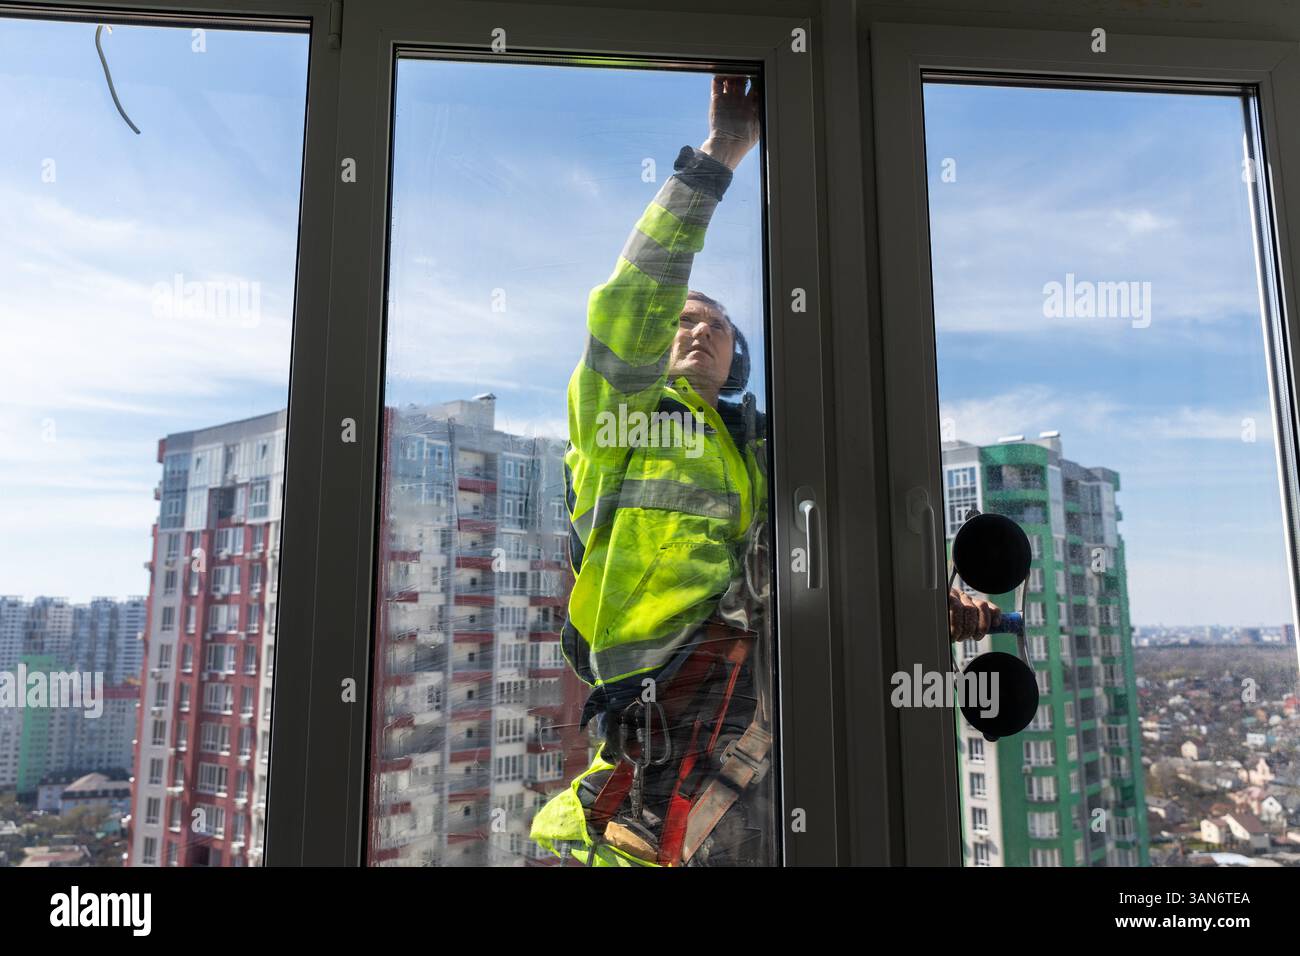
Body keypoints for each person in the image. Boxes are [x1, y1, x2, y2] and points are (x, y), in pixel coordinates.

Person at [530, 74, 998, 867]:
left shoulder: (763, 454)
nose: (697, 332)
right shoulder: (622, 423)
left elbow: (810, 571)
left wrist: (915, 607)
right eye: (682, 321)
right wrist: (719, 154)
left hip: (761, 736)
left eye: (715, 325)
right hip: (663, 717)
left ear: (735, 355)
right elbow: (632, 302)